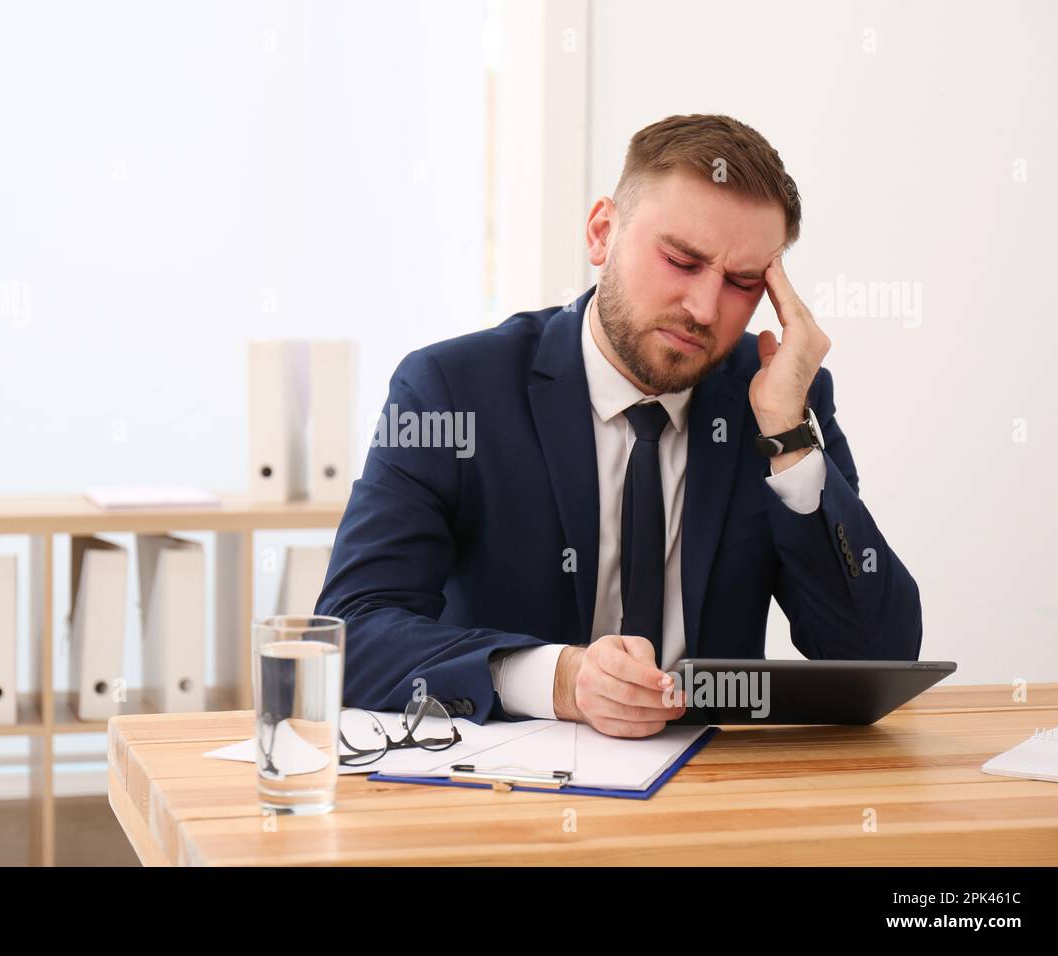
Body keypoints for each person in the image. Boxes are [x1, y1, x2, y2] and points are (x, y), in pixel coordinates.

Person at [316, 114, 922, 738]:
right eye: (682, 261)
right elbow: (352, 633)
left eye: (743, 283)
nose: (704, 309)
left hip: (715, 793)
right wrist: (557, 679)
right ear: (603, 232)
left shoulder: (779, 403)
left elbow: (877, 659)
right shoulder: (451, 391)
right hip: (508, 791)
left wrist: (789, 440)